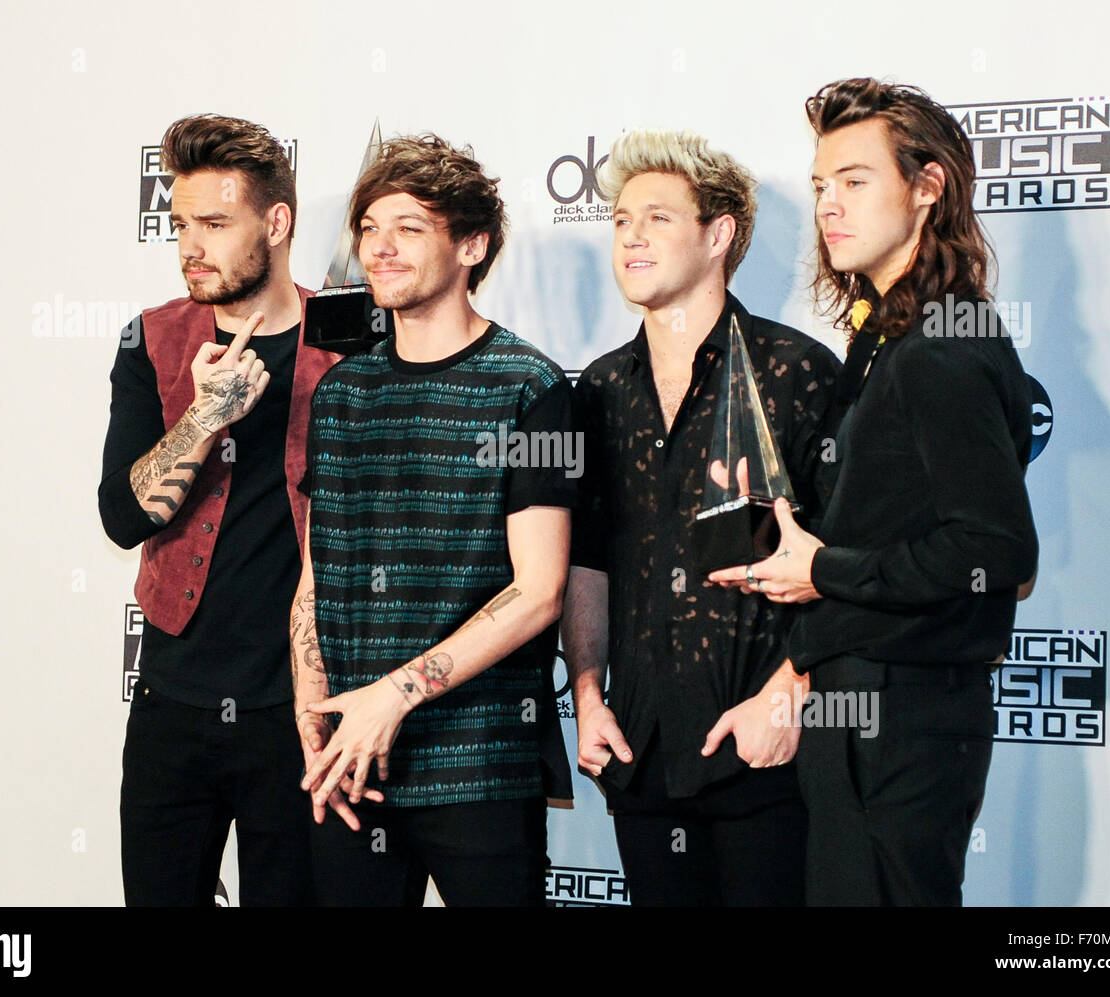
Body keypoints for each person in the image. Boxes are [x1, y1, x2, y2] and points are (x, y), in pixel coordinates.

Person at [722, 78, 1039, 905]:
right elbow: (887, 519)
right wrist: (767, 544)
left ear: (927, 189)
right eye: (822, 184)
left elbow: (997, 550)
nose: (830, 203)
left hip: (904, 712)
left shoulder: (942, 346)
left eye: (856, 181)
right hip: (864, 701)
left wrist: (822, 571)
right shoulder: (886, 340)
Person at [292, 134, 574, 907]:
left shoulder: (533, 386)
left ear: (472, 245)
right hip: (352, 764)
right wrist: (313, 719)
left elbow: (541, 590)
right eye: (371, 228)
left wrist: (395, 696)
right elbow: (319, 572)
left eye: (409, 227)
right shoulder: (341, 394)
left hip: (479, 764)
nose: (381, 248)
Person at [561, 129, 842, 906]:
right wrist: (587, 695)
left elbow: (850, 561)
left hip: (766, 759)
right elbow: (588, 562)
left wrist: (790, 691)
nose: (631, 238)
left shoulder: (797, 373)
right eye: (619, 221)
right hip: (641, 754)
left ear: (718, 235)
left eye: (656, 218)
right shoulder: (601, 391)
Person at [99, 113, 338, 906]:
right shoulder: (154, 340)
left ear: (276, 223)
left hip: (298, 706)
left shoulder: (350, 339)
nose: (189, 245)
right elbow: (122, 515)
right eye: (179, 224)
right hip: (173, 701)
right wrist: (204, 417)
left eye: (214, 223)